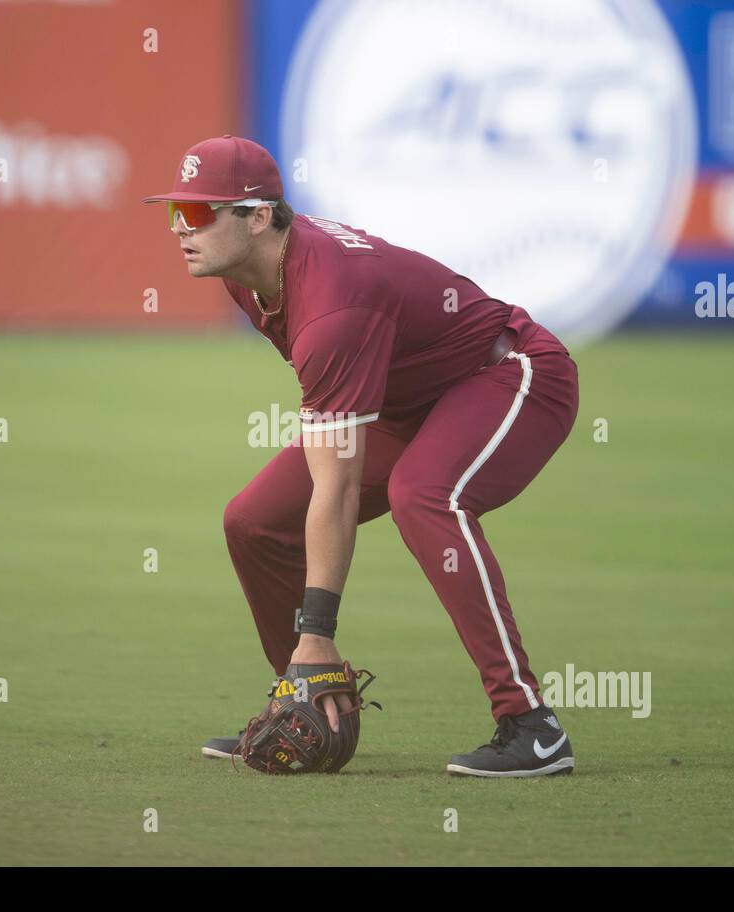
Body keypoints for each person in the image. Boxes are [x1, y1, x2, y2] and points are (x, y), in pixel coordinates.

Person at [143, 135, 580, 777]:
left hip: (510, 373)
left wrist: (317, 626)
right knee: (253, 521)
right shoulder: (248, 275)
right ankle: (306, 705)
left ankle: (531, 725)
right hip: (407, 402)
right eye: (175, 213)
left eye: (203, 212)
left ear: (259, 216)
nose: (184, 228)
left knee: (423, 496)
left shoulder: (331, 304)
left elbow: (339, 489)